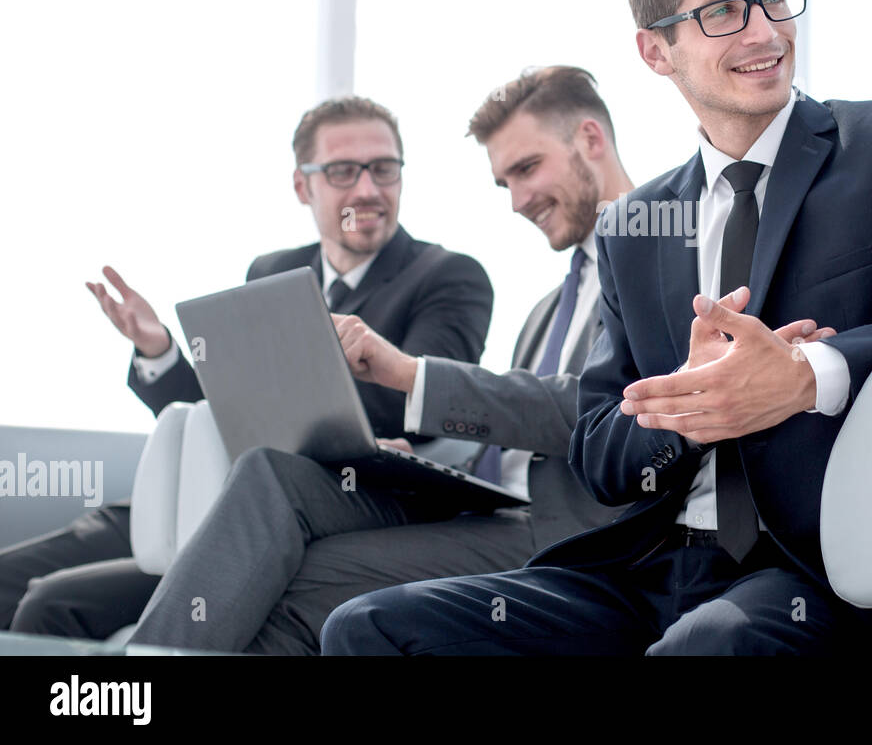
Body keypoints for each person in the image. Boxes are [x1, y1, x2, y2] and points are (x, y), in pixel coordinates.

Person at [321, 0, 872, 656]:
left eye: (773, 0)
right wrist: (688, 405)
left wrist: (808, 372)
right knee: (369, 628)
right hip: (640, 566)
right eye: (723, 12)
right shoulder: (635, 225)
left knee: (704, 646)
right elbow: (599, 448)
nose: (764, 32)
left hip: (808, 568)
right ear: (657, 51)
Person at [127, 66, 664, 654]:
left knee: (302, 584)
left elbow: (601, 409)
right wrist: (418, 462)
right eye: (504, 182)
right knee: (269, 473)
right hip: (487, 508)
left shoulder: (662, 261)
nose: (517, 201)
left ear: (591, 139)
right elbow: (512, 432)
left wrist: (409, 375)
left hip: (569, 532)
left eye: (527, 169)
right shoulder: (546, 310)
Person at [0, 95, 492, 639]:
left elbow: (421, 400)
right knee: (16, 581)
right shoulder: (275, 271)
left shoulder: (449, 277)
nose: (368, 190)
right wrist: (159, 348)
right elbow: (226, 407)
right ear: (303, 186)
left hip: (328, 504)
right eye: (343, 171)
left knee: (54, 604)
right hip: (222, 489)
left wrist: (272, 395)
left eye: (384, 168)